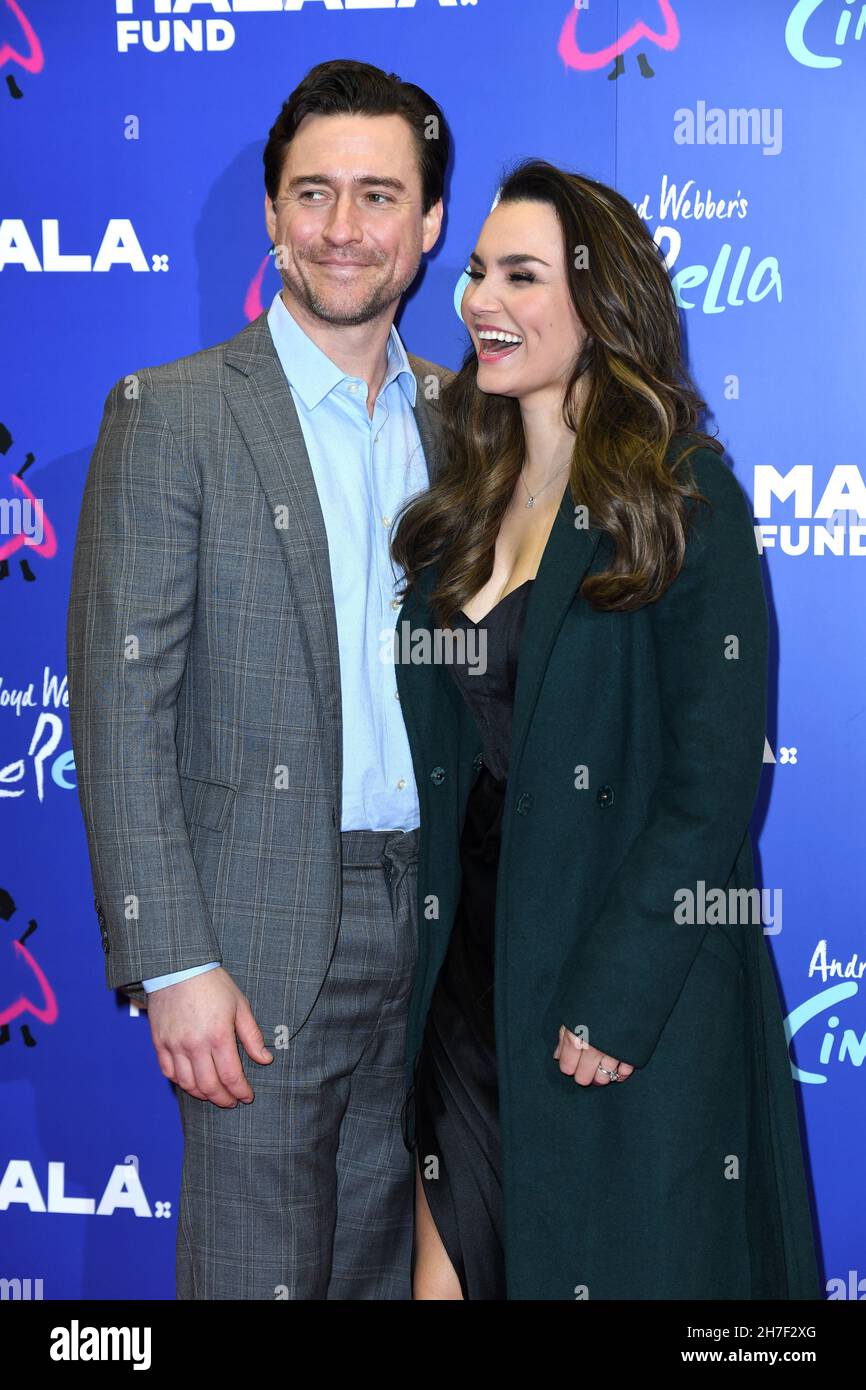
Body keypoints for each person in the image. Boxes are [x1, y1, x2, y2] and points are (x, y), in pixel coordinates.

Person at [390, 160, 822, 1301]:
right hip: (463, 980)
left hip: (612, 975)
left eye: (519, 275)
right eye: (476, 270)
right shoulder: (463, 499)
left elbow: (713, 775)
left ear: (601, 301)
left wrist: (617, 988)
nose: (480, 297)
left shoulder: (680, 495)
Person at [66, 59, 453, 1300]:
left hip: (439, 936)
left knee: (381, 1278)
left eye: (378, 195)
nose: (345, 230)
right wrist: (171, 959)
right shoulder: (170, 415)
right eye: (314, 194)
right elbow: (121, 706)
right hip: (252, 937)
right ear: (273, 217)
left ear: (429, 224)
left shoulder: (468, 424)